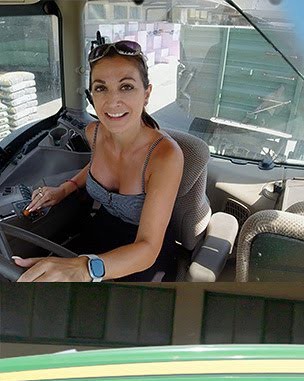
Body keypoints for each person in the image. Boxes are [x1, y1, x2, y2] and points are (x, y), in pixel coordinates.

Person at [16, 39, 183, 281]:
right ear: (91, 94)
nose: (112, 101)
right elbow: (95, 166)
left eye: (126, 87)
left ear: (146, 94)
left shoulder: (165, 156)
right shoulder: (94, 132)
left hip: (141, 254)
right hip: (100, 232)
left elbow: (148, 246)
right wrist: (65, 189)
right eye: (101, 88)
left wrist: (85, 269)